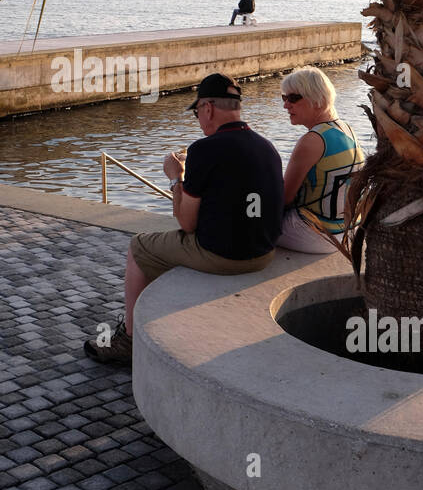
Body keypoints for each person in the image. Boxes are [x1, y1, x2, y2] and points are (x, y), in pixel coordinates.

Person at [84, 73, 284, 364]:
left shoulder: (205, 149)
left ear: (207, 108)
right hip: (264, 252)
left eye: (196, 112)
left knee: (140, 247)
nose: (199, 119)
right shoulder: (267, 147)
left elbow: (186, 224)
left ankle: (128, 341)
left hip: (226, 256)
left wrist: (176, 177)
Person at [277, 67, 364, 253]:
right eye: (284, 98)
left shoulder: (312, 141)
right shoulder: (345, 128)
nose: (286, 105)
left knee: (246, 213)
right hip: (347, 229)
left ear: (317, 101)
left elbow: (284, 198)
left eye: (293, 98)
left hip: (317, 234)